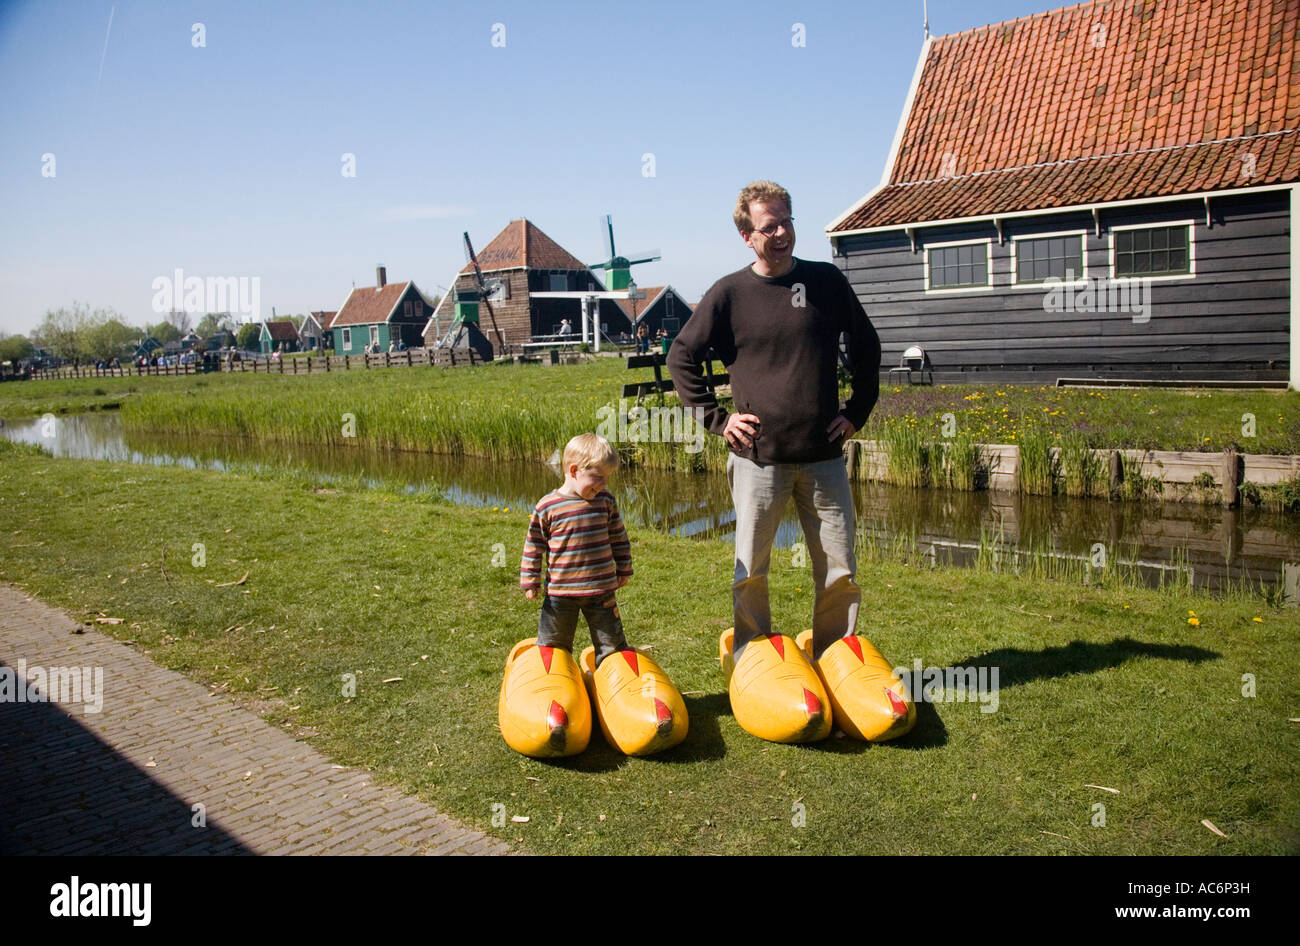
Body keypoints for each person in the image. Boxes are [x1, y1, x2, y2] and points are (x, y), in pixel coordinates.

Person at [667, 179, 881, 672]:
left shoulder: (827, 282)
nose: (782, 232)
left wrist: (857, 410)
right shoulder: (729, 294)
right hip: (758, 460)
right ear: (747, 235)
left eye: (787, 221)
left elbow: (867, 345)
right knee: (751, 570)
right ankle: (754, 657)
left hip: (824, 458)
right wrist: (717, 420)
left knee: (840, 570)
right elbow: (682, 356)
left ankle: (835, 660)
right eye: (769, 226)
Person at [519, 433, 633, 669]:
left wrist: (624, 568)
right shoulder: (548, 506)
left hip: (601, 592)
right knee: (554, 644)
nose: (603, 484)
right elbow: (534, 545)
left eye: (607, 478)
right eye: (598, 478)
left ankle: (611, 678)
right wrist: (530, 580)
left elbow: (619, 537)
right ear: (573, 470)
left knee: (611, 644)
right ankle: (555, 678)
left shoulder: (605, 501)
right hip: (560, 594)